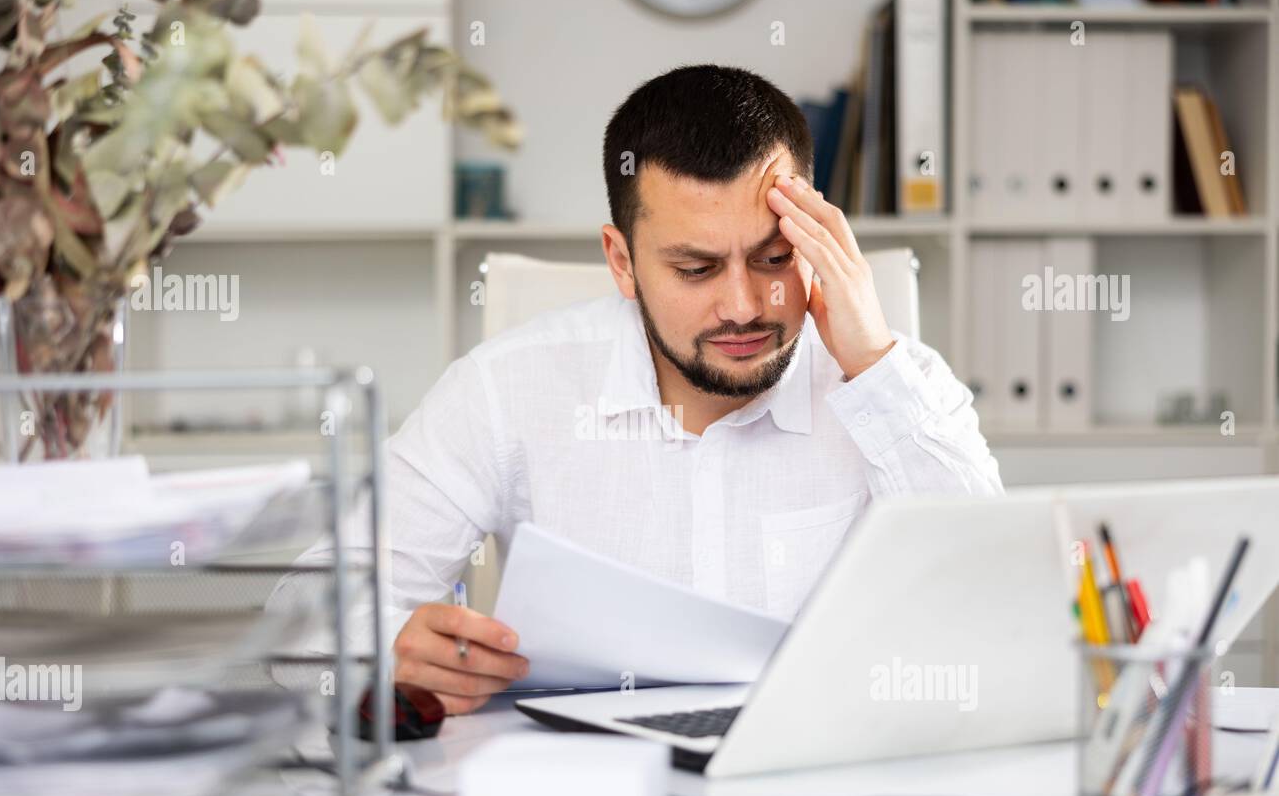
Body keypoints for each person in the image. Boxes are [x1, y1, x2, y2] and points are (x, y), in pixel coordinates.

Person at [279, 64, 1002, 715]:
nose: (744, 305)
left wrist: (873, 365)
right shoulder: (508, 388)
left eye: (774, 257)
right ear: (621, 262)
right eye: (696, 269)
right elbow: (301, 616)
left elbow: (996, 594)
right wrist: (385, 648)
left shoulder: (890, 380)